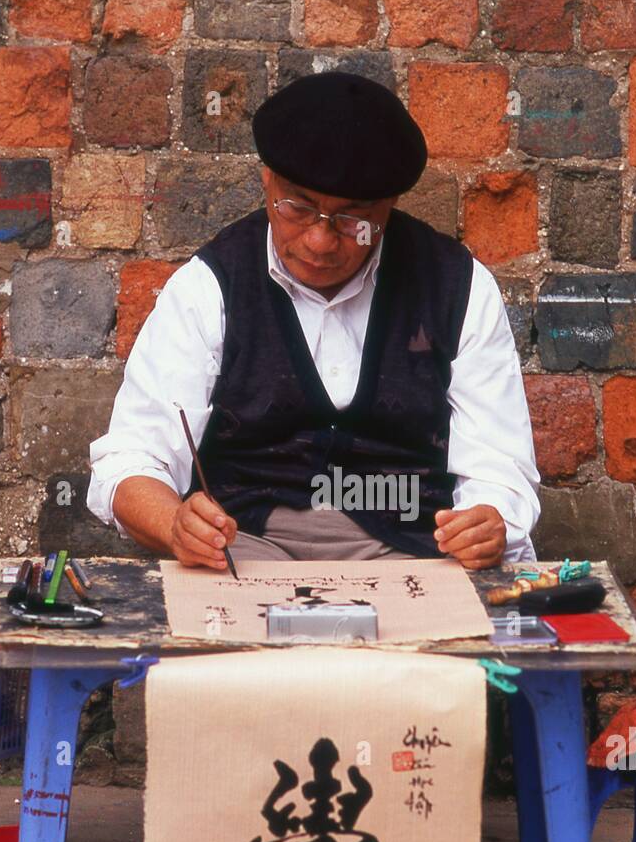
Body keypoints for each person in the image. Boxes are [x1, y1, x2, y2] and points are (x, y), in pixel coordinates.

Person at [88, 72, 540, 571]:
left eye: (353, 219)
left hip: (413, 552)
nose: (321, 242)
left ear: (390, 206)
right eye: (298, 209)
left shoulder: (456, 287)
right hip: (244, 551)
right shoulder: (212, 285)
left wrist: (489, 519)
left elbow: (501, 467)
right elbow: (133, 459)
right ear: (265, 181)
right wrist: (175, 525)